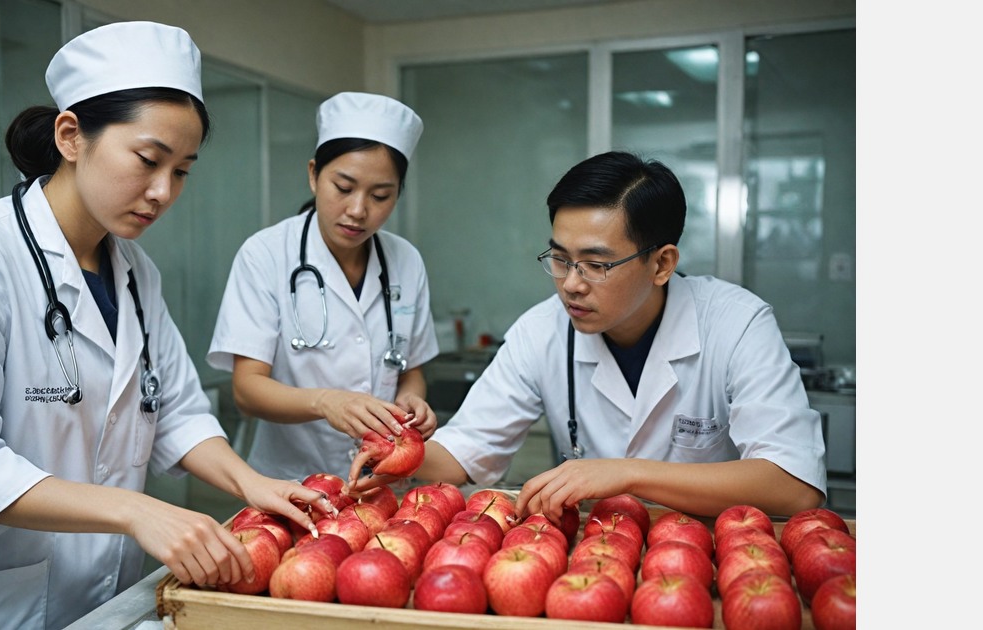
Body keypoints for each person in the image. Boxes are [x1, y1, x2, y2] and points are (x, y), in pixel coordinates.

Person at [0, 22, 334, 629]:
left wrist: (251, 482)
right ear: (70, 136)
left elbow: (180, 414)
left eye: (182, 170)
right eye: (147, 160)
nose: (162, 192)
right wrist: (135, 511)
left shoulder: (135, 271)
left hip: (106, 594)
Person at [353, 151, 827, 522]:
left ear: (661, 263)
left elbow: (794, 484)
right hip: (595, 554)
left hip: (710, 553)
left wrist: (625, 472)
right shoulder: (542, 331)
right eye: (559, 258)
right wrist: (400, 456)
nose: (571, 283)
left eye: (597, 265)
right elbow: (466, 448)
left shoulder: (736, 323)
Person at [206, 92, 439, 483]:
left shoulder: (406, 260)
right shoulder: (266, 254)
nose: (358, 210)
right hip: (290, 482)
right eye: (343, 187)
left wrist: (411, 401)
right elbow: (247, 391)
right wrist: (326, 402)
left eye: (381, 195)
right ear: (314, 174)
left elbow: (411, 369)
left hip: (379, 477)